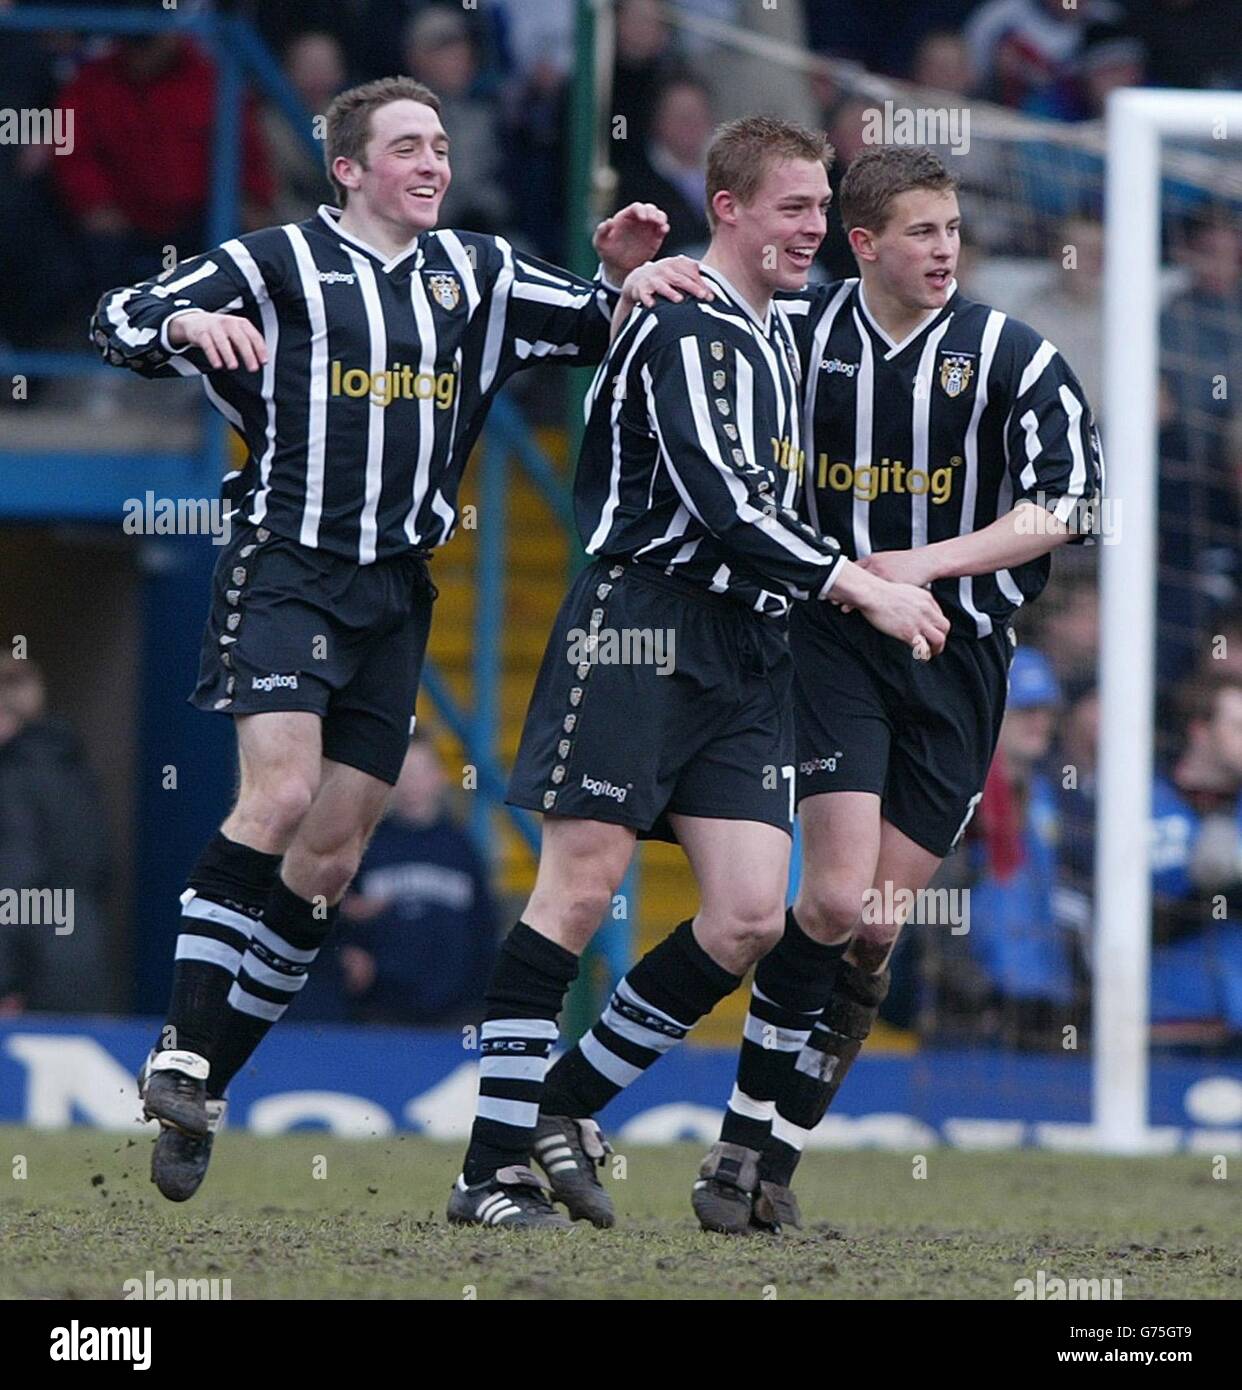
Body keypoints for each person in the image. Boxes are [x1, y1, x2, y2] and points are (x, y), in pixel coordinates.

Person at [90, 73, 681, 1204]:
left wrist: (620, 272)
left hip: (398, 589)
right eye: (407, 145)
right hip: (288, 567)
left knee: (330, 857)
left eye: (443, 145)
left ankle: (205, 1081)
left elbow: (601, 330)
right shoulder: (271, 263)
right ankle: (174, 1048)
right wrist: (182, 320)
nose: (433, 163)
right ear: (350, 168)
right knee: (278, 794)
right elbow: (112, 318)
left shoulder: (480, 272)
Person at [445, 116, 949, 1230]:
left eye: (824, 210)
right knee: (578, 889)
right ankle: (486, 1170)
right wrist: (868, 587)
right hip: (643, 625)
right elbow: (725, 504)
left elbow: (902, 324)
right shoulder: (681, 323)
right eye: (793, 209)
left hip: (748, 648)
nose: (813, 230)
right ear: (727, 209)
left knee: (748, 914)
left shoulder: (785, 324)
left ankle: (562, 1103)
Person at [697, 145, 1103, 1233]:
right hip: (835, 645)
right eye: (922, 232)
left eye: (954, 232)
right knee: (830, 896)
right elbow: (704, 353)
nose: (945, 251)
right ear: (864, 243)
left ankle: (773, 1156)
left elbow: (1065, 502)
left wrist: (925, 562)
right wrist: (644, 275)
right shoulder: (799, 333)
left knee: (873, 923)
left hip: (960, 661)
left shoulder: (1014, 355)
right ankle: (739, 1146)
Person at [297, 733, 498, 1025]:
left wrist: (481, 992)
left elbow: (484, 924)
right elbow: (326, 909)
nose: (411, 783)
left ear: (439, 777)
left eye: (420, 772)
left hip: (455, 1008)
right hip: (380, 1005)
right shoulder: (366, 844)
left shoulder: (461, 847)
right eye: (403, 773)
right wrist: (346, 944)